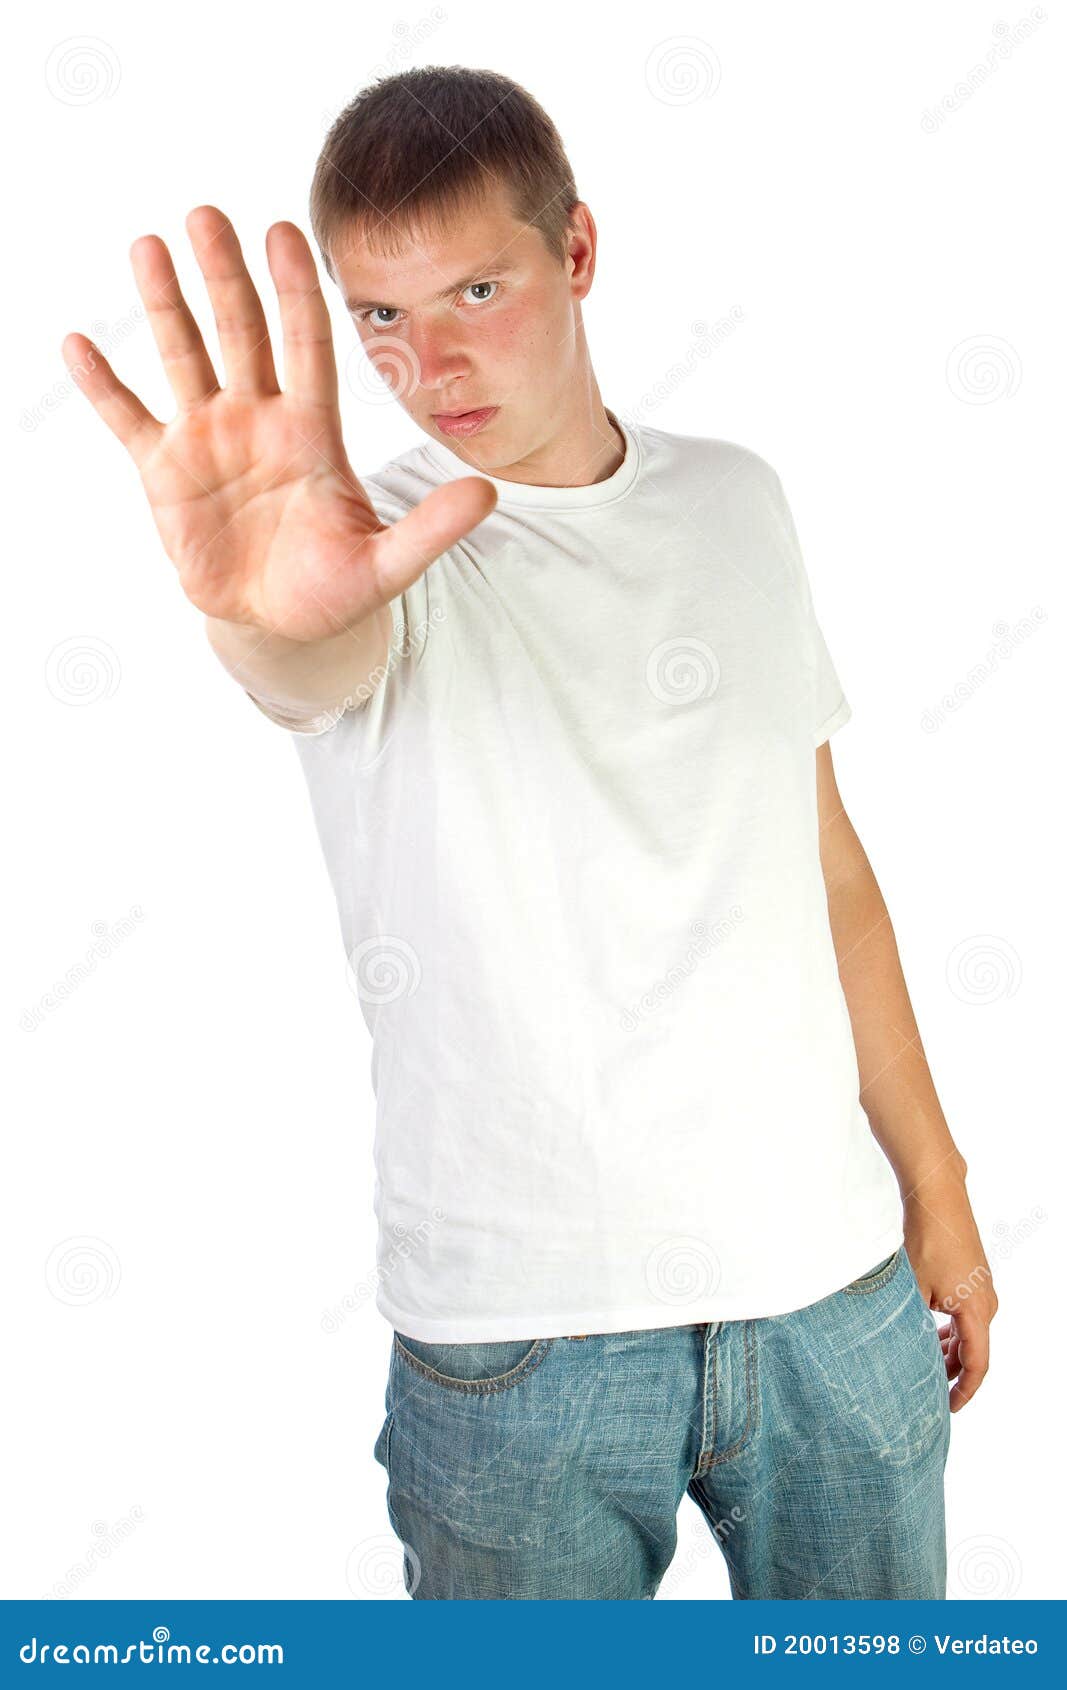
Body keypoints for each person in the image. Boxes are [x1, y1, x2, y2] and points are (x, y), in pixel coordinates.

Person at [63, 64, 997, 1601]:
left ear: (575, 254)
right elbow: (312, 657)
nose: (424, 361)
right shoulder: (370, 554)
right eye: (378, 315)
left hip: (833, 1297)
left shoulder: (739, 503)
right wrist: (254, 618)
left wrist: (941, 1195)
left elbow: (826, 873)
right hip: (526, 1353)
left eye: (473, 288)